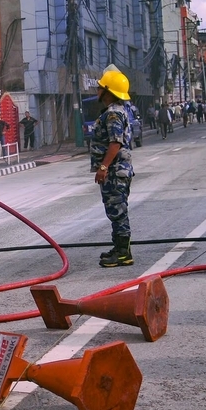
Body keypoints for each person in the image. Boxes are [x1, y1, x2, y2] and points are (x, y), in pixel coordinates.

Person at [91, 67, 135, 268]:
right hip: (118, 170)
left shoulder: (113, 114)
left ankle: (123, 253)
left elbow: (115, 142)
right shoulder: (117, 111)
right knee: (116, 211)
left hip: (115, 171)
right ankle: (119, 248)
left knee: (118, 212)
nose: (98, 90)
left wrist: (103, 167)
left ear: (108, 92)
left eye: (101, 87)